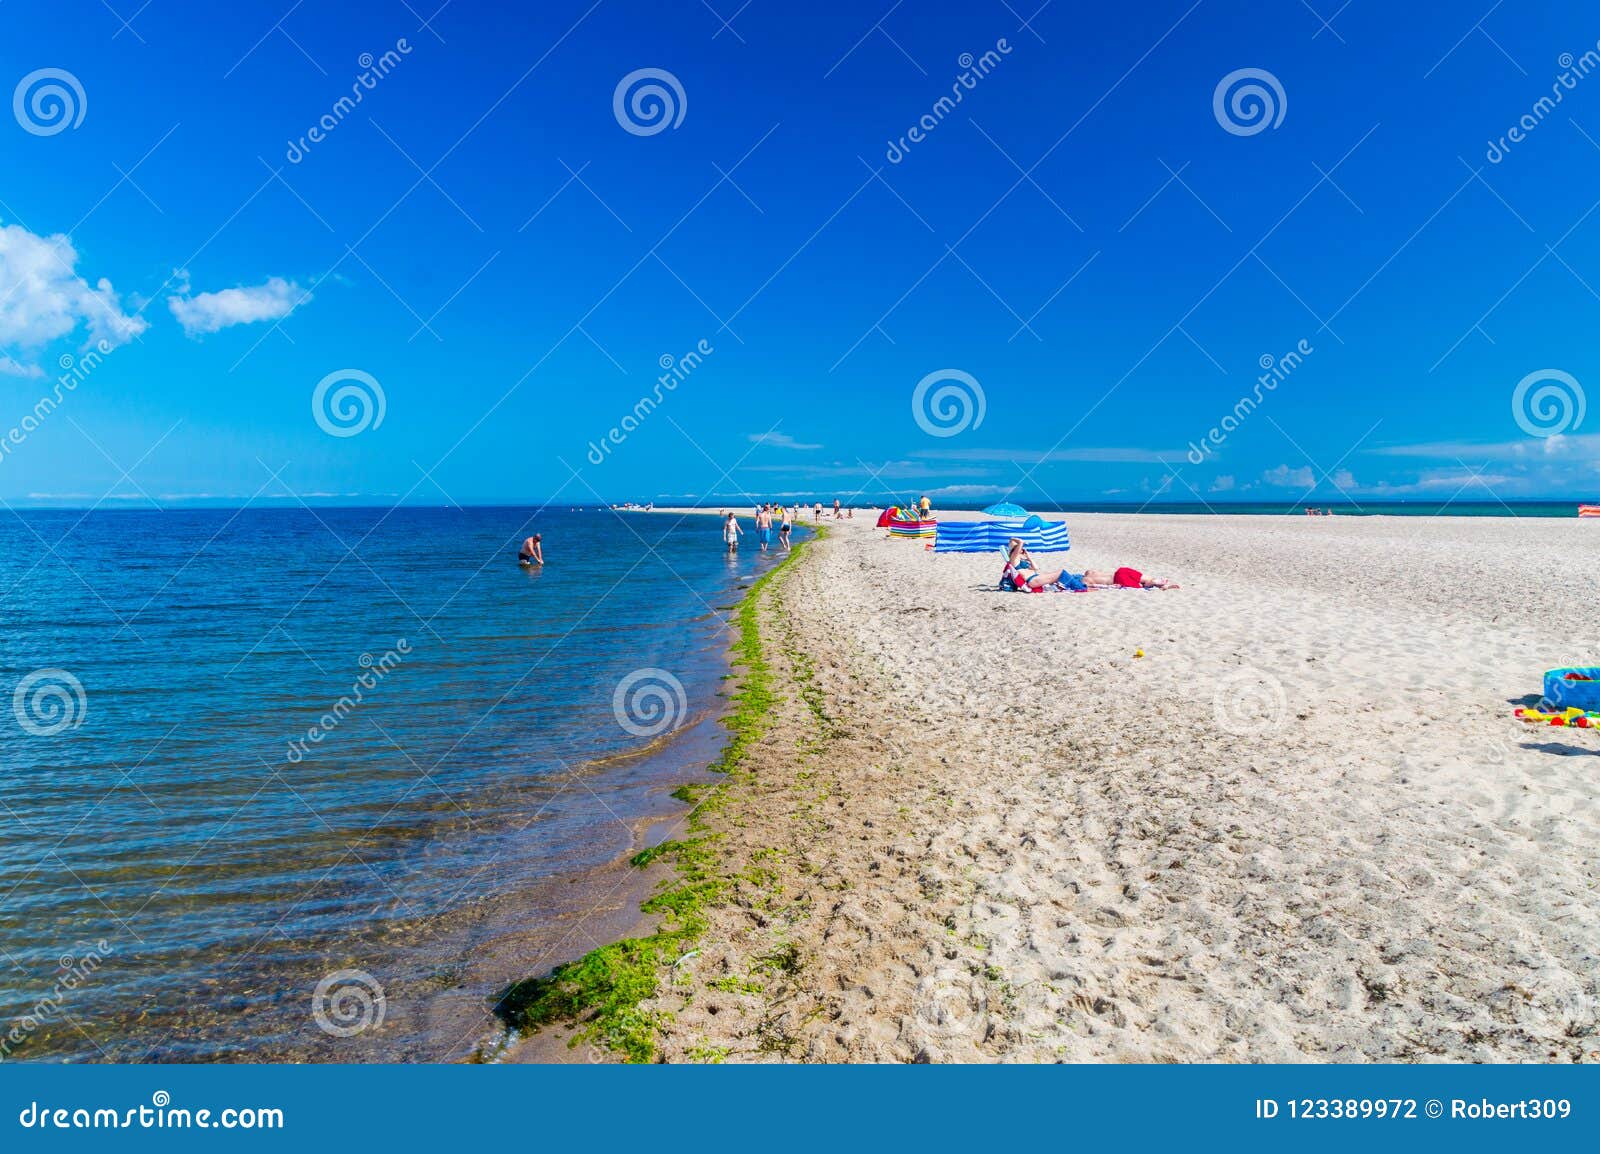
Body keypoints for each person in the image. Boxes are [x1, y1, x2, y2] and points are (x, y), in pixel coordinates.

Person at [1003, 539, 1178, 591]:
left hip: (1036, 577)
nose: (1019, 550)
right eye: (1016, 550)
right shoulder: (1014, 561)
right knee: (1131, 576)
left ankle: (1158, 583)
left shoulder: (1022, 561)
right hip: (1033, 581)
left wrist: (1029, 556)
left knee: (1137, 577)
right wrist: (1017, 542)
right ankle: (1159, 584)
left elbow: (1036, 568)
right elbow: (1020, 544)